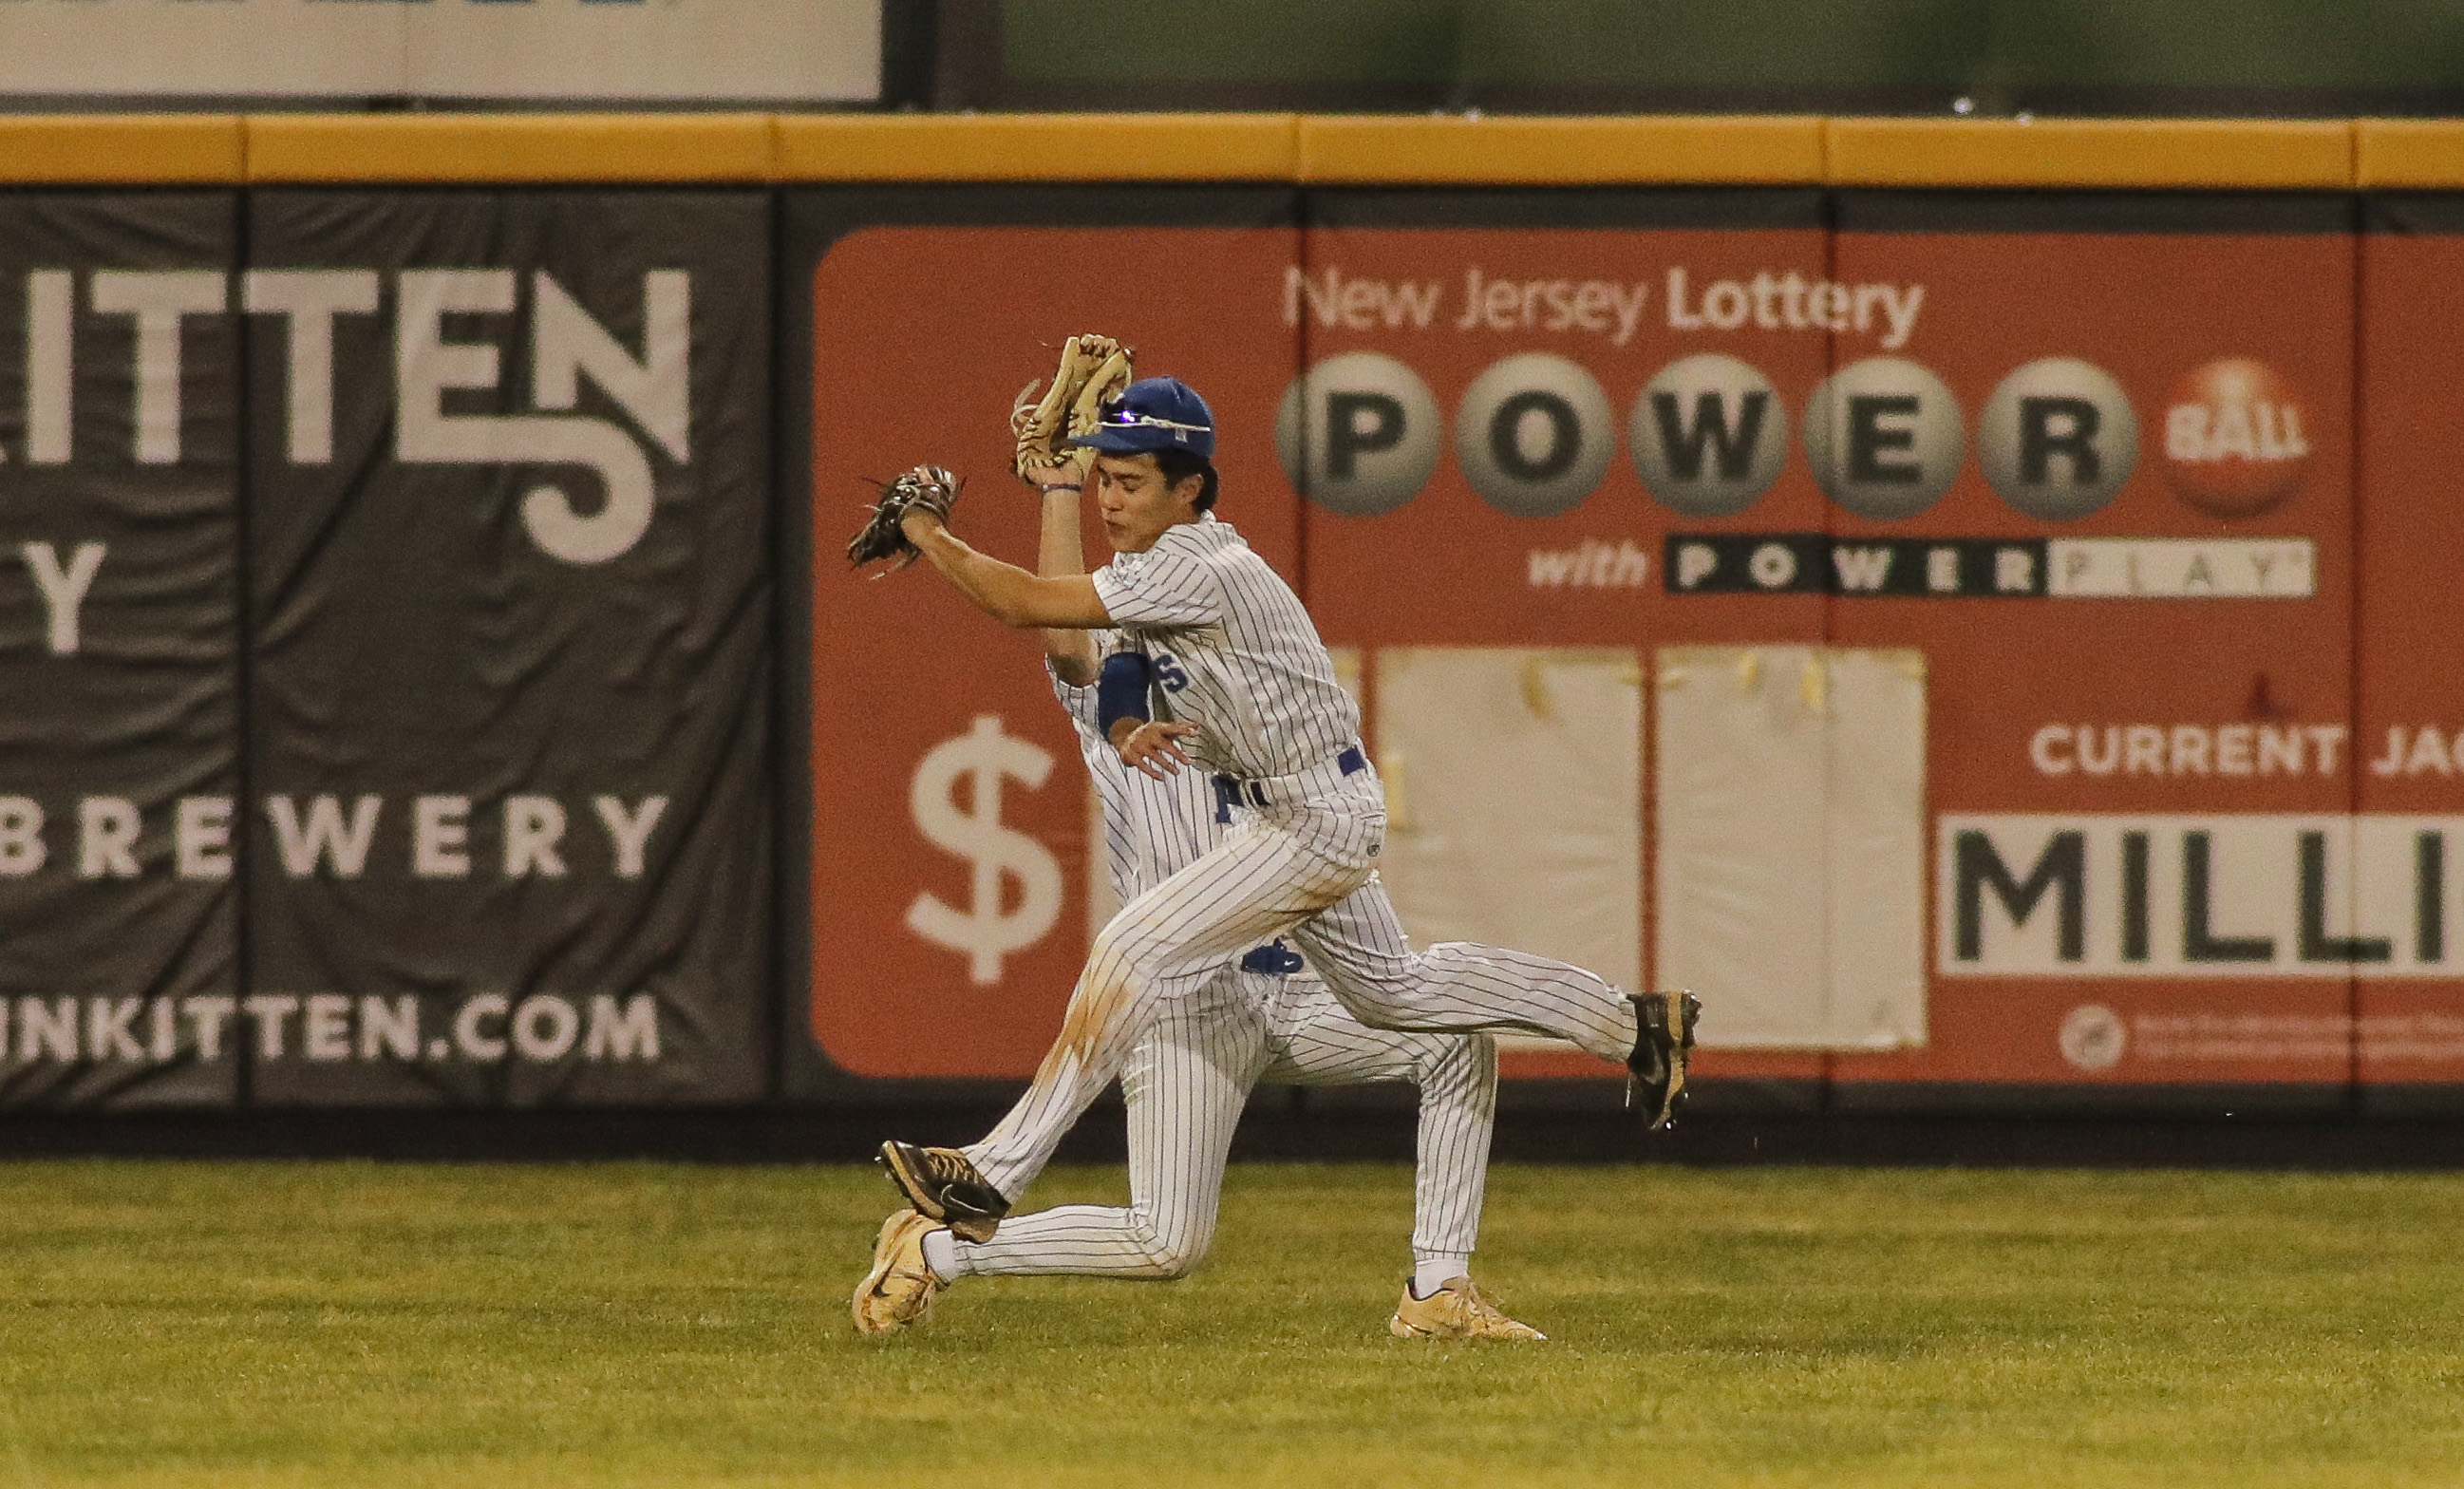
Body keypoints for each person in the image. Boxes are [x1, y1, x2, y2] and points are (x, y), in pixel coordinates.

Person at [863, 374, 1697, 1291]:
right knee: (1395, 994)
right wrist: (1124, 720)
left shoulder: (1197, 567)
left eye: (1129, 482)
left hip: (1303, 818)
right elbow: (1111, 655)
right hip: (1294, 821)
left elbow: (1029, 603)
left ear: (1190, 488)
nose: (1110, 499)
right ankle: (1627, 1024)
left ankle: (990, 1172)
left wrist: (925, 530)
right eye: (1104, 480)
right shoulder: (1158, 573)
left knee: (1133, 946)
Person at [852, 462, 1540, 1341]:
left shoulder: (1245, 694)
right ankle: (939, 1252)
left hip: (1293, 991)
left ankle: (1437, 1289)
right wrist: (1059, 491)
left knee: (1455, 1042)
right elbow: (1062, 634)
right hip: (1189, 1005)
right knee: (1165, 1243)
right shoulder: (1117, 693)